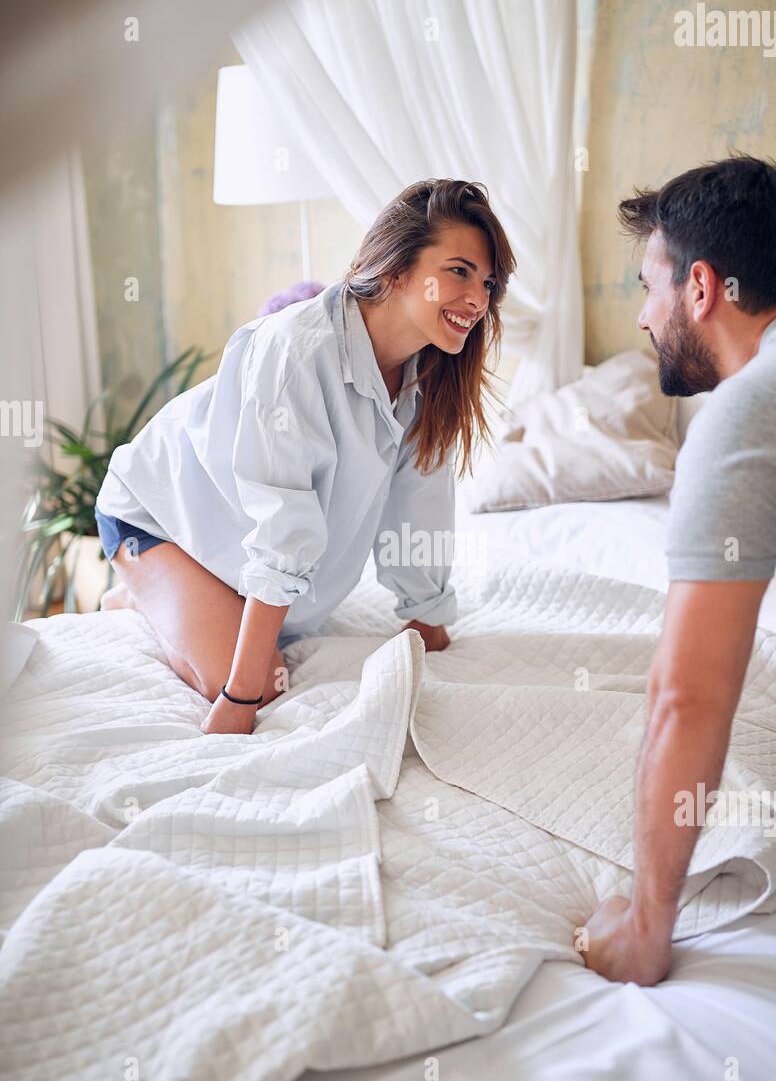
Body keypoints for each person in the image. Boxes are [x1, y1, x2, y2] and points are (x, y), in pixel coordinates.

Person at [580, 153, 776, 985]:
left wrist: (644, 925)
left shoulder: (750, 411)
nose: (642, 318)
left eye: (648, 285)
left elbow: (690, 696)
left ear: (701, 288)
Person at [95, 178, 515, 734]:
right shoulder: (297, 352)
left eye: (487, 283)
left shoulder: (431, 370)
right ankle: (136, 590)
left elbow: (420, 505)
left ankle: (187, 598)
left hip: (238, 540)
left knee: (286, 629)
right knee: (265, 681)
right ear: (395, 266)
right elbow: (283, 526)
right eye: (459, 271)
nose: (477, 299)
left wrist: (428, 619)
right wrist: (239, 700)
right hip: (160, 516)